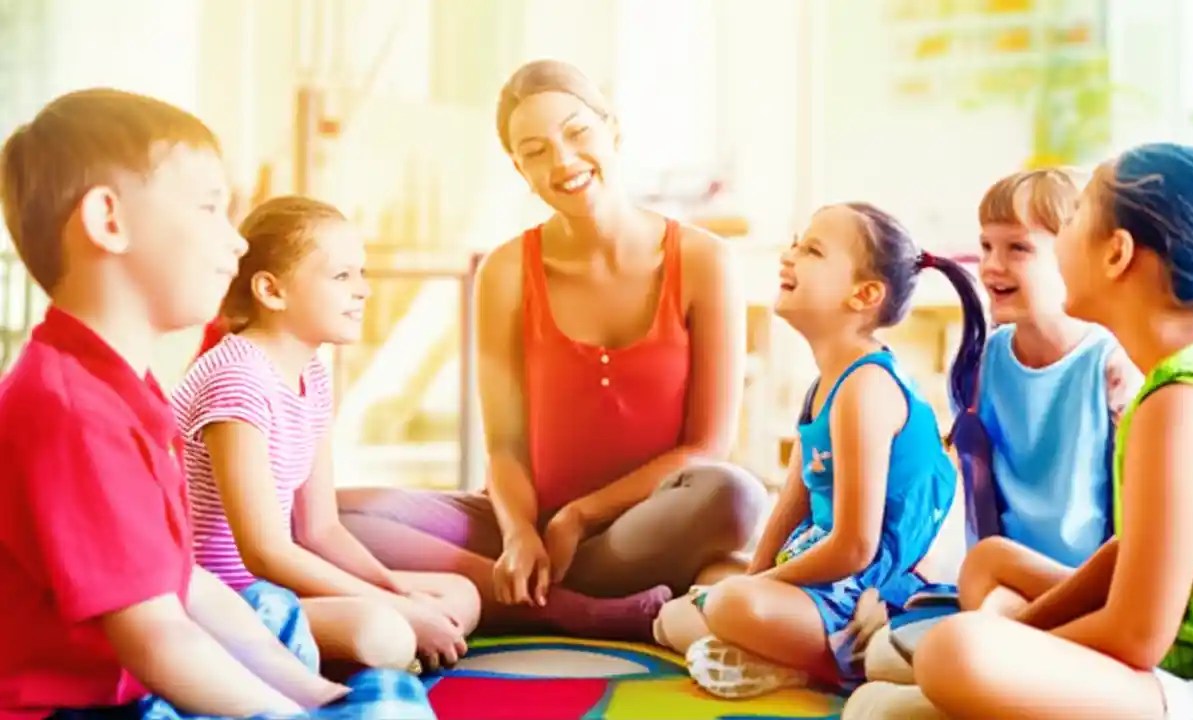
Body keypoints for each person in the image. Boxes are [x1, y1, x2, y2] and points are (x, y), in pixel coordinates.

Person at [0, 89, 431, 719]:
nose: (236, 244)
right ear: (108, 220)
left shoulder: (122, 389)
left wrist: (315, 696)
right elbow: (158, 639)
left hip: (142, 675)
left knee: (338, 669)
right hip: (91, 706)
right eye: (210, 209)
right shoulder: (71, 412)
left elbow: (188, 586)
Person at [336, 59, 767, 639]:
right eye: (535, 151)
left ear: (612, 129)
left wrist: (579, 517)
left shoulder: (705, 261)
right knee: (326, 516)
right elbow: (507, 447)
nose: (562, 161)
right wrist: (520, 533)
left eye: (578, 132)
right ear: (520, 169)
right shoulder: (507, 270)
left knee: (734, 495)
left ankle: (515, 594)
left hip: (640, 527)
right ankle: (580, 608)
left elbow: (705, 446)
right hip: (523, 527)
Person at [915, 142, 1193, 719]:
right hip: (1174, 672)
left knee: (955, 652)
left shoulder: (1184, 403)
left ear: (1116, 252)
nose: (1060, 240)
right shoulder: (1176, 381)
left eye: (1078, 214)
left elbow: (1136, 636)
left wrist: (1009, 647)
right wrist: (1016, 633)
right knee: (984, 571)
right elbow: (1131, 551)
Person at [652, 202, 984, 699]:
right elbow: (794, 500)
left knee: (726, 606)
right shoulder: (824, 387)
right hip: (823, 574)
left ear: (865, 294)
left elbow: (855, 545)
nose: (789, 257)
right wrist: (756, 576)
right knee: (681, 610)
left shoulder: (866, 387)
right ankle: (772, 653)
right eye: (794, 243)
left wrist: (751, 591)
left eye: (812, 250)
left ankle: (812, 665)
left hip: (867, 590)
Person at [845, 168, 1142, 719]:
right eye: (986, 246)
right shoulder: (989, 363)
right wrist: (895, 580)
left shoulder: (1112, 366)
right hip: (998, 584)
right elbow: (963, 490)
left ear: (1075, 254)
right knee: (883, 653)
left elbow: (1133, 530)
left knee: (902, 677)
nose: (992, 266)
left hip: (1082, 592)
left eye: (1018, 248)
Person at [173, 196, 481, 673]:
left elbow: (321, 529)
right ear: (271, 291)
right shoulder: (236, 379)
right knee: (384, 631)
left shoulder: (311, 373)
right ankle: (376, 649)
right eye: (342, 276)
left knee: (459, 592)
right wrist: (400, 612)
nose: (363, 291)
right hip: (225, 603)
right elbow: (265, 553)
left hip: (278, 593)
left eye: (362, 273)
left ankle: (372, 647)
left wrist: (394, 590)